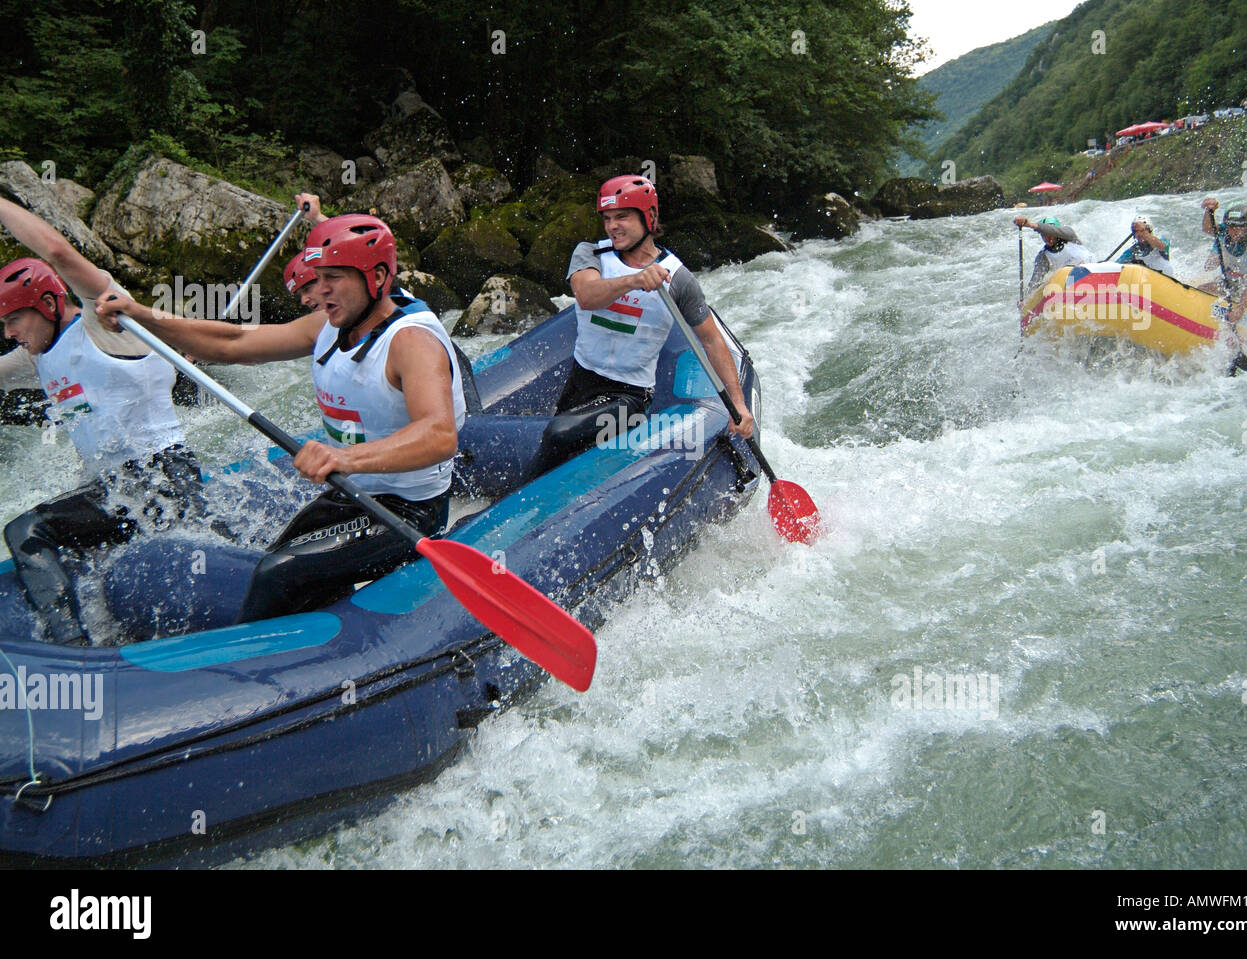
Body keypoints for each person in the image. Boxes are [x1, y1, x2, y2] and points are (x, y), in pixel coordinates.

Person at [97, 211, 466, 623]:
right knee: (277, 562)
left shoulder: (411, 341)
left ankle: (255, 675)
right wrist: (144, 316)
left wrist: (342, 458)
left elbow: (439, 435)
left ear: (377, 276)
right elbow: (232, 342)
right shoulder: (326, 327)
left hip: (409, 511)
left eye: (334, 278)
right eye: (316, 277)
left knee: (279, 575)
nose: (319, 291)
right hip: (353, 495)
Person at [0, 197, 200, 645]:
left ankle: (73, 650)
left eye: (14, 319)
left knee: (24, 530)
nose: (9, 332)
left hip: (163, 481)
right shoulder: (36, 355)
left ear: (49, 302)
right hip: (121, 491)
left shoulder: (103, 322)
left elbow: (58, 252)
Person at [538, 175, 753, 471]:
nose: (613, 226)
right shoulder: (590, 254)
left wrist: (738, 403)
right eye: (608, 218)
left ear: (649, 217)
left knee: (559, 434)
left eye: (622, 217)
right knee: (560, 453)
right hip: (581, 380)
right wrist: (636, 280)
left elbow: (712, 340)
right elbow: (587, 296)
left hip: (629, 396)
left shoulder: (678, 278)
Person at [1014, 215, 1097, 292]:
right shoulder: (1043, 256)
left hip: (1093, 272)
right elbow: (1035, 282)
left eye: (1050, 234)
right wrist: (1025, 302)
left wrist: (1030, 224)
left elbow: (1053, 230)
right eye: (1043, 235)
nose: (1047, 238)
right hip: (1072, 284)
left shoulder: (1069, 235)